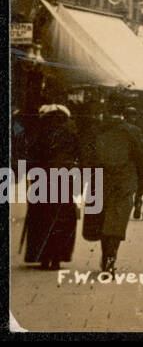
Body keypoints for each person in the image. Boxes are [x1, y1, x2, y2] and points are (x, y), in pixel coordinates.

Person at [81, 95, 143, 276]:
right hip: (123, 182)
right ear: (123, 112)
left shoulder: (95, 130)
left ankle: (106, 255)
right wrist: (142, 180)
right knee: (117, 222)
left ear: (107, 110)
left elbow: (86, 156)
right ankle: (110, 259)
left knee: (104, 219)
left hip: (99, 181)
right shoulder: (132, 131)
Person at [21, 105, 81, 270]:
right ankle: (58, 258)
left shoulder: (40, 132)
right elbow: (78, 154)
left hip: (42, 180)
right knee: (62, 218)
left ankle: (43, 257)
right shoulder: (70, 132)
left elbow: (30, 156)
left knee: (41, 217)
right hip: (64, 180)